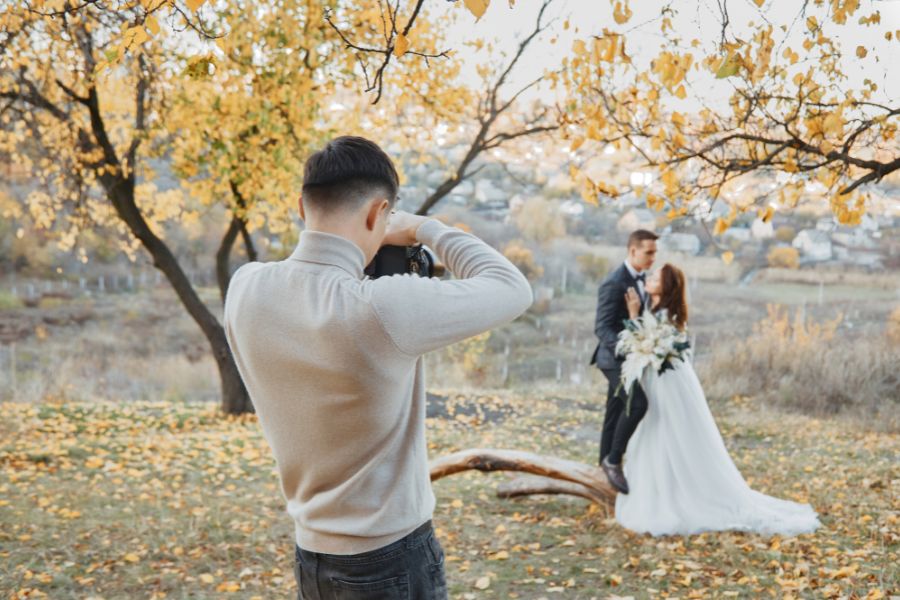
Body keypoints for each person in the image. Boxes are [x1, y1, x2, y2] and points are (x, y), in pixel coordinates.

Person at [223, 136, 533, 599]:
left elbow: (310, 274)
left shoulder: (245, 288)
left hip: (312, 558)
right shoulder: (381, 308)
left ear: (302, 207)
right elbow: (512, 288)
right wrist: (426, 228)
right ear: (378, 213)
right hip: (392, 556)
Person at [615, 263, 820, 536]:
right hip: (657, 380)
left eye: (656, 277)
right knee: (654, 432)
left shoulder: (668, 315)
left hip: (669, 383)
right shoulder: (654, 309)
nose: (650, 278)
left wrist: (632, 315)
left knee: (668, 432)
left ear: (667, 285)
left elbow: (648, 342)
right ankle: (661, 489)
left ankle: (677, 496)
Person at [590, 229, 658, 494]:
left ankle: (601, 468)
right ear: (633, 251)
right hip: (613, 359)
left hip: (633, 358)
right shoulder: (613, 282)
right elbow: (602, 327)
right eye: (648, 252)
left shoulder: (643, 280)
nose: (653, 258)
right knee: (637, 403)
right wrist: (628, 348)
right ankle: (613, 459)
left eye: (655, 253)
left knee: (615, 411)